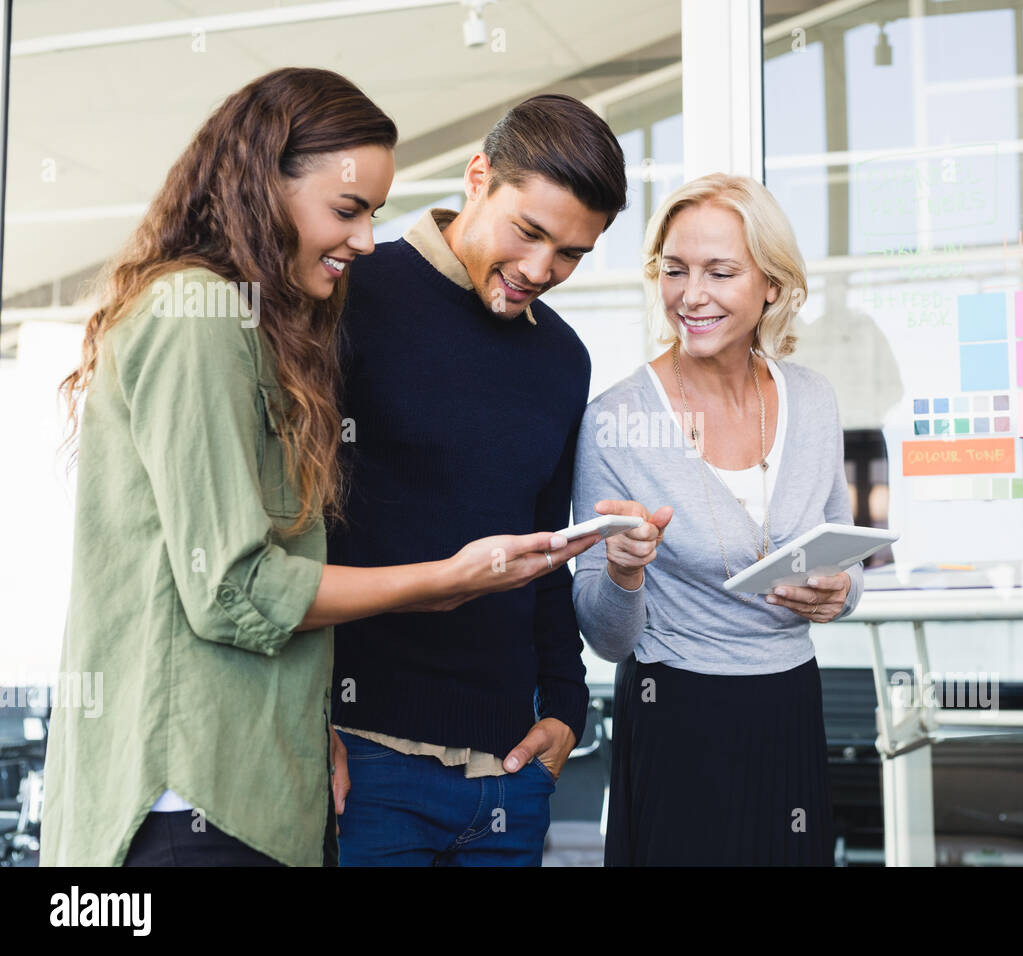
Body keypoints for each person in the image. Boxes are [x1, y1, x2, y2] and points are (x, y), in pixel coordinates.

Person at [41, 68, 595, 868]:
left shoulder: (266, 324)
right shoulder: (197, 317)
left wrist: (563, 700)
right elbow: (235, 586)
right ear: (260, 185)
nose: (366, 239)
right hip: (190, 785)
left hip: (261, 777)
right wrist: (444, 580)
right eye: (347, 209)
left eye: (370, 212)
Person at [326, 93, 628, 866]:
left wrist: (567, 707)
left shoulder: (563, 359)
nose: (539, 270)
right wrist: (300, 723)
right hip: (362, 764)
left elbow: (547, 553)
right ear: (478, 176)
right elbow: (290, 536)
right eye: (529, 232)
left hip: (510, 771)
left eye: (570, 255)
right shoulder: (351, 297)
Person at [571, 172, 865, 866]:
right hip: (675, 711)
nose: (691, 295)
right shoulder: (617, 420)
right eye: (674, 270)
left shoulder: (813, 399)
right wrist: (623, 571)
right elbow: (607, 637)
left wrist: (840, 592)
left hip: (790, 701)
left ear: (771, 283)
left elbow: (844, 561)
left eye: (720, 272)